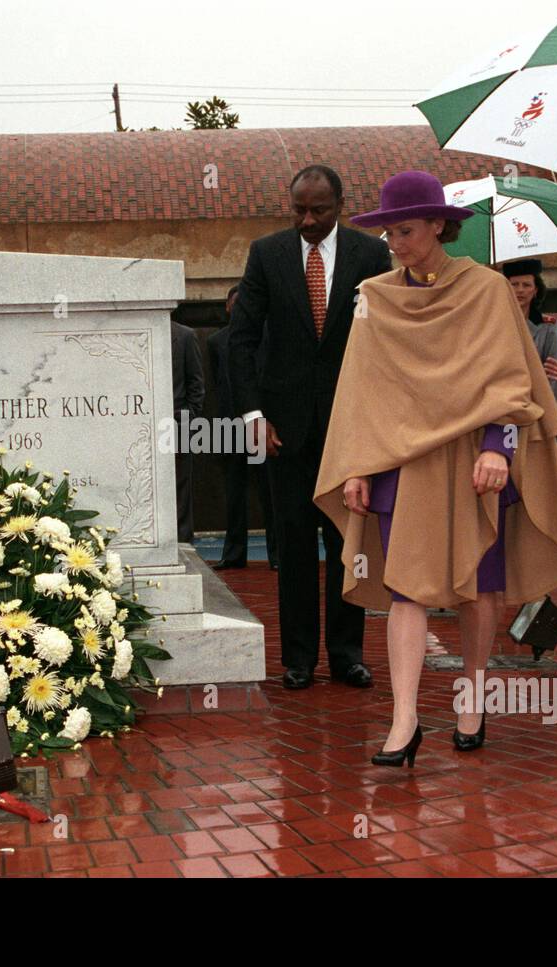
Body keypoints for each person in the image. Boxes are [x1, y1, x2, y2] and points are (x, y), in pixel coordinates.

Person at [313, 171, 557, 763]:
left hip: (470, 459)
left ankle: (474, 693)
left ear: (439, 224)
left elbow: (513, 382)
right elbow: (362, 391)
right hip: (398, 462)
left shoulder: (487, 290)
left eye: (406, 230)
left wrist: (498, 447)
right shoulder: (375, 296)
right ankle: (404, 719)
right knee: (405, 587)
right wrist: (357, 464)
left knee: (477, 586)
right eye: (389, 233)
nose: (396, 243)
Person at [228, 164, 391, 690]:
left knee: (350, 545)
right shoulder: (267, 254)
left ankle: (347, 655)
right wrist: (254, 415)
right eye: (298, 209)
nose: (307, 220)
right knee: (294, 546)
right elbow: (241, 339)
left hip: (352, 430)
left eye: (318, 209)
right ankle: (298, 660)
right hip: (285, 434)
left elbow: (387, 339)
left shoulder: (371, 255)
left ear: (340, 204)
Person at [207, 285, 277, 570]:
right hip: (230, 427)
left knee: (269, 493)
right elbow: (218, 383)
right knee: (234, 494)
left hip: (260, 426)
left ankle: (278, 555)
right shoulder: (215, 341)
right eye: (233, 305)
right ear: (226, 307)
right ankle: (234, 554)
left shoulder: (266, 338)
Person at [502, 258, 557, 398]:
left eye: (526, 285)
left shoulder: (549, 326)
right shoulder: (495, 323)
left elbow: (552, 371)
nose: (520, 290)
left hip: (534, 399)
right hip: (501, 401)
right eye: (514, 285)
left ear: (535, 290)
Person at [170, 320, 204, 543]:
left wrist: (189, 417)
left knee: (181, 484)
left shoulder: (185, 335)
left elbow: (196, 383)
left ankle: (183, 540)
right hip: (142, 422)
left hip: (177, 419)